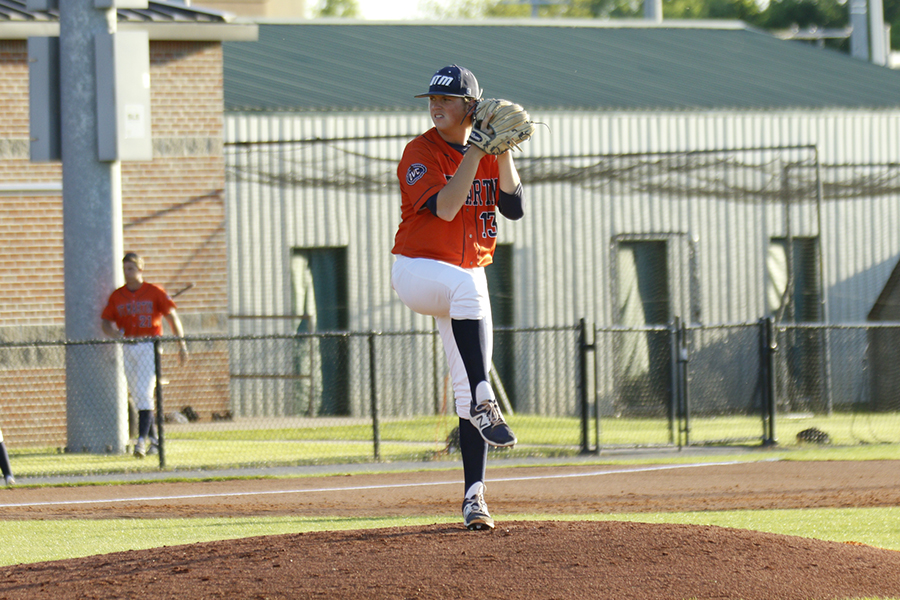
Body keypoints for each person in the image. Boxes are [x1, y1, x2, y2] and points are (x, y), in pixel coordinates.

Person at [391, 65, 525, 531]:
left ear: (471, 106)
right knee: (467, 289)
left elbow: (514, 208)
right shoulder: (419, 151)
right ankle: (487, 396)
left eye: (446, 100)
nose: (435, 105)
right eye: (432, 98)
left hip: (468, 276)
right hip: (418, 269)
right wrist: (475, 150)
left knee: (465, 390)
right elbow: (446, 208)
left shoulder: (487, 152)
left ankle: (474, 498)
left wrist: (502, 150)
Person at [101, 252, 187, 458]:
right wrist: (113, 332)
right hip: (128, 345)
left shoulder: (154, 291)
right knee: (137, 394)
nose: (127, 273)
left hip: (150, 344)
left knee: (144, 391)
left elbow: (172, 317)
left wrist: (181, 344)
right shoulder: (118, 295)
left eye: (130, 268)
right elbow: (106, 320)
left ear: (140, 269)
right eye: (124, 269)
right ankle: (155, 441)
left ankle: (140, 442)